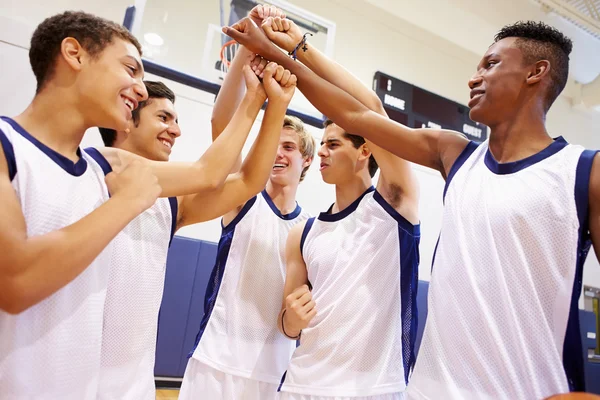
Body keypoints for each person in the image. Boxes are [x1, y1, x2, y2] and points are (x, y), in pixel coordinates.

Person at [225, 17, 600, 399]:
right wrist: (284, 51)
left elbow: (365, 110)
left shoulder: (585, 171)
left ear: (536, 73)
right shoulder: (455, 154)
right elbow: (358, 115)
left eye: (491, 64)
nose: (473, 78)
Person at [94, 59, 298, 399]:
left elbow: (249, 181)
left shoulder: (170, 201)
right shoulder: (94, 168)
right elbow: (209, 171)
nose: (176, 131)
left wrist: (275, 104)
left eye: (176, 120)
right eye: (163, 118)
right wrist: (252, 96)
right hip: (70, 378)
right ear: (126, 119)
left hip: (135, 385)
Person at [0, 11, 160, 399]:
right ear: (74, 53)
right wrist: (127, 203)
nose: (140, 90)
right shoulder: (6, 146)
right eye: (130, 69)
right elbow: (16, 282)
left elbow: (214, 173)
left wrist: (261, 89)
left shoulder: (99, 168)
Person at [259, 17, 420, 399]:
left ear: (366, 150)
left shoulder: (395, 205)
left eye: (333, 143)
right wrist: (291, 320)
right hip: (301, 384)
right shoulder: (305, 232)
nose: (323, 152)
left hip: (372, 389)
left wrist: (300, 46)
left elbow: (372, 108)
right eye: (323, 144)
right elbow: (287, 324)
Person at [178, 6, 317, 400]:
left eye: (288, 147)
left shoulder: (312, 228)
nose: (278, 152)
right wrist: (246, 46)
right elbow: (221, 125)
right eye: (274, 142)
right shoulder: (244, 198)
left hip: (277, 371)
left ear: (306, 160)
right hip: (217, 361)